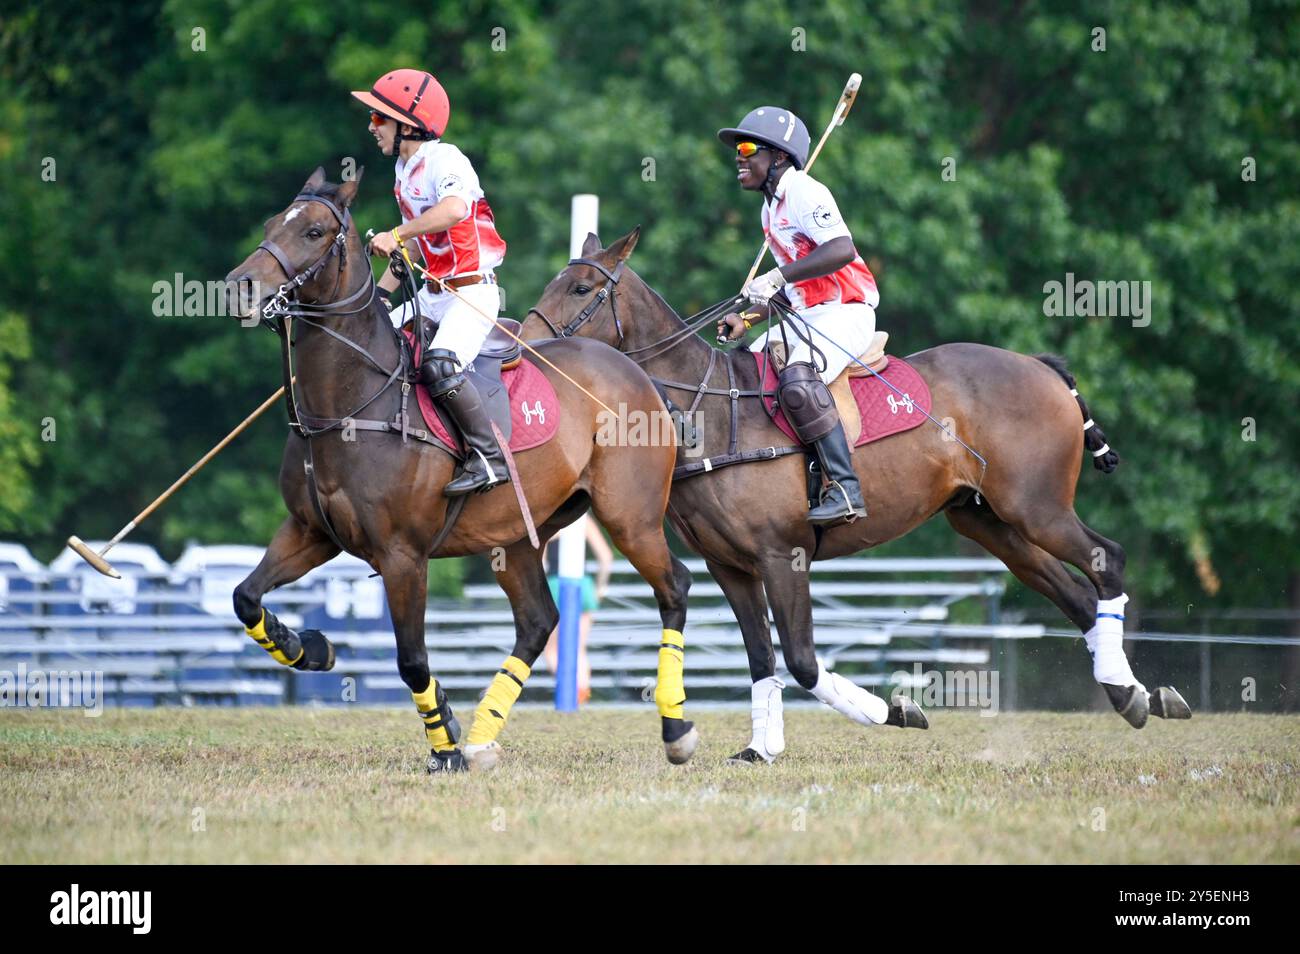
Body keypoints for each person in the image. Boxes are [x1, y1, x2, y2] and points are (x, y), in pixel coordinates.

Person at [716, 106, 879, 526]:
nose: (739, 156)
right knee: (748, 368)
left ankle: (844, 488)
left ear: (780, 157)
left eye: (749, 147)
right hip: (809, 316)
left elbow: (840, 249)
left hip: (847, 310)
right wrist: (748, 319)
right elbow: (791, 290)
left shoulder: (805, 191)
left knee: (795, 373)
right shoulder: (769, 210)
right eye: (737, 149)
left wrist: (776, 275)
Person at [352, 69, 510, 496]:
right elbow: (417, 247)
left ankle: (489, 458)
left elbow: (456, 209)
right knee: (369, 340)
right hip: (433, 294)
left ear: (409, 123)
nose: (372, 127)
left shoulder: (446, 160)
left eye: (379, 118)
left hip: (471, 293)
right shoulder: (404, 171)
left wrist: (397, 234)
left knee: (440, 364)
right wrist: (381, 296)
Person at [543, 521, 614, 705]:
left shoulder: (549, 519)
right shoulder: (584, 520)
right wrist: (601, 588)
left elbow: (541, 561)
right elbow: (606, 557)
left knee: (551, 651)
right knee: (579, 649)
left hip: (556, 585)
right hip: (585, 586)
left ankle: (569, 691)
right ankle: (582, 693)